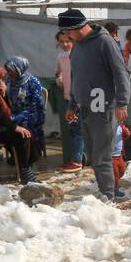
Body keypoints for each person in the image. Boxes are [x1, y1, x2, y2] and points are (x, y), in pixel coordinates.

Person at [58, 8, 130, 201]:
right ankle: (105, 190)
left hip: (103, 105)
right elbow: (76, 77)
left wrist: (122, 103)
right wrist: (72, 104)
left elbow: (121, 72)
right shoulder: (78, 47)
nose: (66, 37)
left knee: (102, 155)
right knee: (91, 154)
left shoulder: (104, 42)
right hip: (85, 106)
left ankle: (108, 196)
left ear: (77, 27)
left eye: (68, 32)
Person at [0, 64, 36, 185]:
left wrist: (3, 95)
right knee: (23, 136)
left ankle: (21, 164)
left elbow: (5, 111)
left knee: (26, 130)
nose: (0, 82)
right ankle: (25, 171)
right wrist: (14, 127)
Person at [3, 56, 47, 166]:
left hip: (31, 112)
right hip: (14, 111)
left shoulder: (32, 81)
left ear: (19, 68)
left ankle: (28, 157)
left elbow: (36, 103)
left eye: (11, 70)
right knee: (3, 125)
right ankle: (16, 155)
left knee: (19, 125)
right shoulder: (8, 80)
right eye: (8, 70)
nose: (9, 73)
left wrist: (22, 115)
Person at [54, 32, 83, 171]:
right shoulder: (60, 56)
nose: (65, 44)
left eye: (67, 41)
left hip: (77, 98)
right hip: (67, 98)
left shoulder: (77, 55)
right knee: (73, 129)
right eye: (61, 41)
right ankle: (78, 158)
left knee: (77, 129)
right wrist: (58, 78)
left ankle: (77, 160)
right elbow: (58, 71)